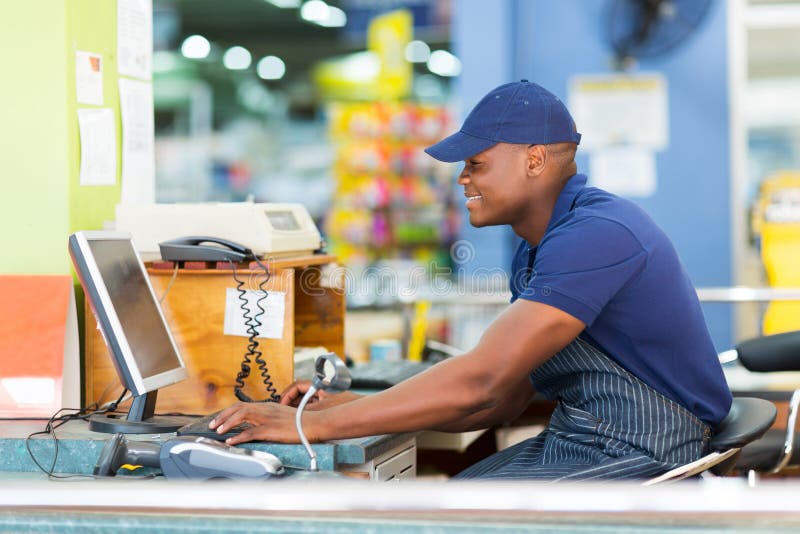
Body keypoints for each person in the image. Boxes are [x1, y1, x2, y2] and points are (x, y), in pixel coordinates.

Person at [210, 80, 733, 481]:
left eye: (477, 164)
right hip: (588, 439)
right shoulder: (539, 249)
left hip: (646, 449)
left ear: (534, 160)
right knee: (443, 501)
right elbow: (500, 397)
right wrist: (347, 407)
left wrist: (309, 426)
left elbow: (482, 380)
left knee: (440, 519)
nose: (463, 178)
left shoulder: (597, 234)